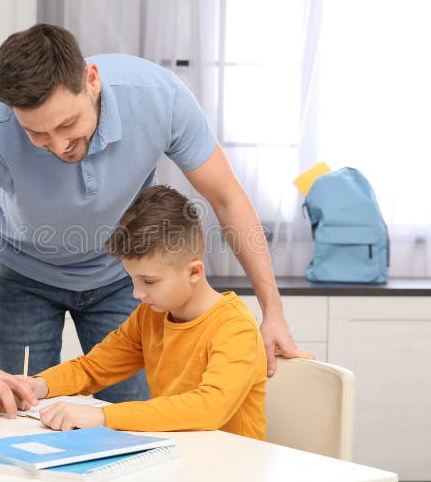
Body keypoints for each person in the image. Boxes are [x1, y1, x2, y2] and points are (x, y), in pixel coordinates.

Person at [0, 23, 311, 418]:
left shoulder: (159, 98)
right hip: (23, 276)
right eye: (37, 134)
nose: (59, 145)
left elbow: (227, 199)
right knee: (21, 417)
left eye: (67, 124)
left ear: (92, 80)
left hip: (122, 278)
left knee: (135, 419)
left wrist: (272, 312)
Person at [26, 185, 267, 440]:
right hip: (179, 457)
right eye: (132, 279)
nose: (137, 294)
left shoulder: (235, 328)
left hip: (232, 469)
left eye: (149, 282)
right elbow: (93, 368)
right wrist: (36, 386)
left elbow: (209, 408)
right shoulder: (150, 315)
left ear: (194, 272)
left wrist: (103, 417)